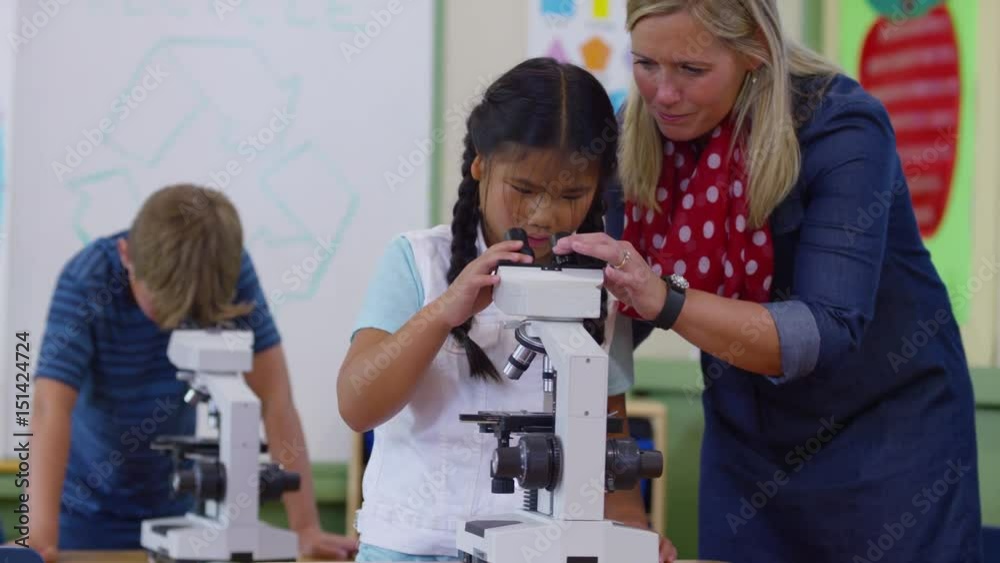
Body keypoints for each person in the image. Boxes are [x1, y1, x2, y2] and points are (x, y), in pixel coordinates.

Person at [555, 1, 984, 561]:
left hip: (889, 439)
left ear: (754, 49)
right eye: (646, 63)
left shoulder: (840, 128)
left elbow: (823, 329)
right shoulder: (635, 140)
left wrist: (665, 298)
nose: (662, 93)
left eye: (691, 70)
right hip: (749, 443)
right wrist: (621, 502)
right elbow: (602, 336)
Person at [337, 57, 677, 562]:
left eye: (571, 194)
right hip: (411, 545)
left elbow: (609, 439)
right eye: (524, 189)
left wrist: (633, 532)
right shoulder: (416, 261)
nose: (544, 215)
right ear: (480, 163)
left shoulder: (601, 292)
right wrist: (443, 314)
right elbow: (357, 405)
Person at [25, 184, 358, 561]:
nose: (174, 323)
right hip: (84, 518)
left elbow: (273, 399)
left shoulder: (229, 270)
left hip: (180, 513)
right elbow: (50, 409)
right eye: (163, 310)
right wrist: (40, 540)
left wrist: (305, 529)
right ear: (126, 256)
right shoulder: (87, 279)